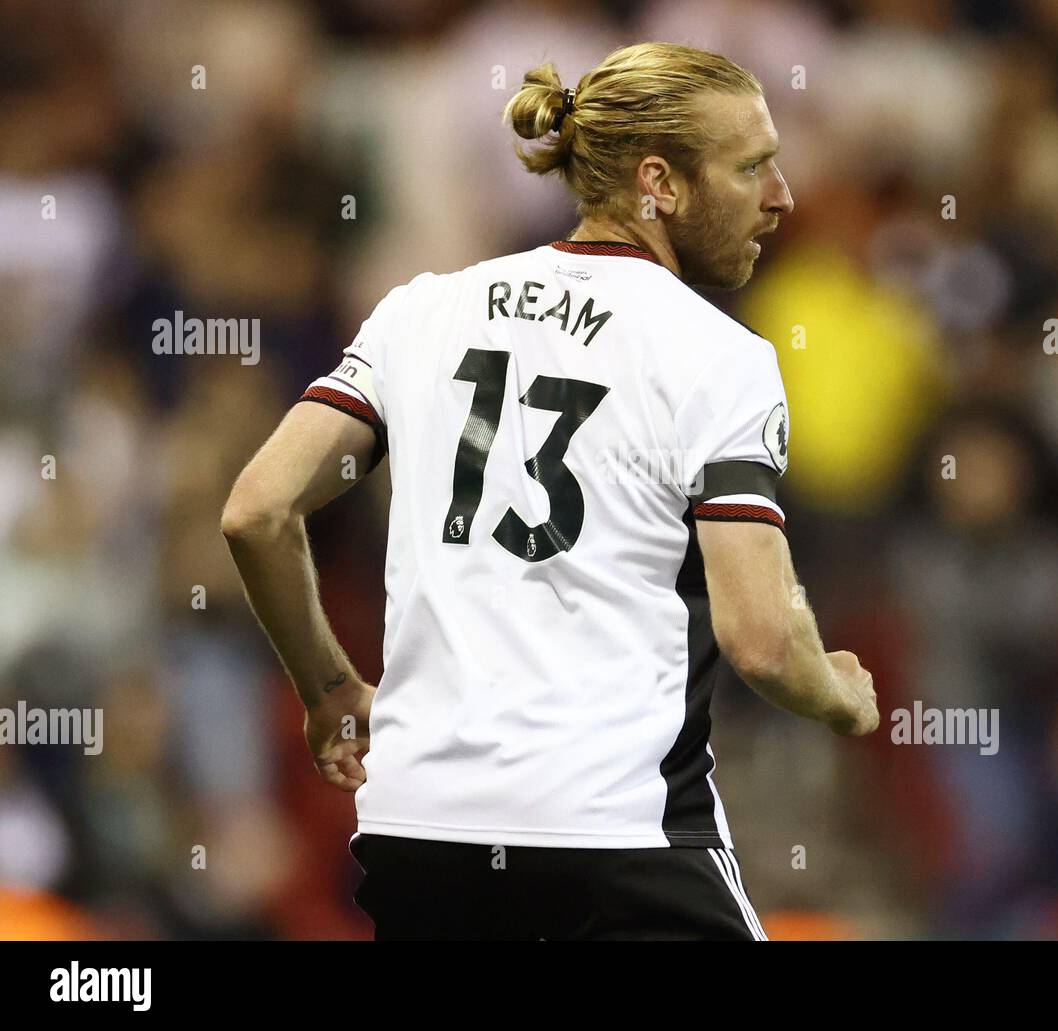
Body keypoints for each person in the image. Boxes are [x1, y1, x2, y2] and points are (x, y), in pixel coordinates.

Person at [221, 41, 878, 941]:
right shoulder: (718, 355)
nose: (782, 196)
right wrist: (836, 692)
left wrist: (329, 688)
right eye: (754, 166)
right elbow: (761, 639)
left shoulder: (422, 310)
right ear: (661, 183)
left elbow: (257, 510)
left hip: (419, 830)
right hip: (613, 835)